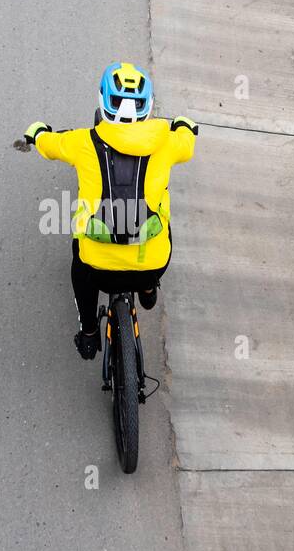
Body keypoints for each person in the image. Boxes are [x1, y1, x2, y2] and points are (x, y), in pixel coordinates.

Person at [24, 61, 198, 358]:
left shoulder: (81, 142)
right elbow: (188, 141)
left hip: (98, 268)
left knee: (79, 257)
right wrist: (183, 125)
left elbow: (49, 145)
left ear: (103, 101)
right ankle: (147, 289)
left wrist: (38, 133)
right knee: (162, 220)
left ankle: (90, 333)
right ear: (149, 106)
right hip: (151, 263)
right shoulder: (169, 143)